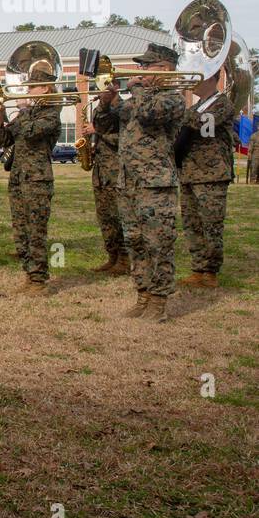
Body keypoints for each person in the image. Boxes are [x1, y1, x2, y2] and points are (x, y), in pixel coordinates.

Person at [114, 43, 186, 322]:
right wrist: (110, 99)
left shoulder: (172, 98)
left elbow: (148, 114)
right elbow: (118, 116)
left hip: (155, 182)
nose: (140, 71)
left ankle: (159, 300)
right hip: (129, 181)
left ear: (165, 70)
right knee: (135, 241)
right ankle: (142, 294)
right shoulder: (141, 97)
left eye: (147, 67)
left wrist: (137, 87)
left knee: (158, 243)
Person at [0, 76, 62, 294]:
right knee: (20, 230)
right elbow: (2, 140)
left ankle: (39, 279)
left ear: (45, 89)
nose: (26, 91)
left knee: (36, 231)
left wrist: (22, 111)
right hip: (18, 178)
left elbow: (30, 133)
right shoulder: (26, 115)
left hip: (38, 179)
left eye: (31, 87)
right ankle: (29, 274)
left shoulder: (51, 115)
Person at [177, 64, 237, 289]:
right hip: (190, 173)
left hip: (212, 174)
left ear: (212, 78)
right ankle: (197, 268)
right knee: (192, 224)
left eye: (197, 77)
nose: (192, 82)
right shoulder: (195, 108)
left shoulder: (223, 105)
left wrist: (176, 109)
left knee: (211, 224)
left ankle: (210, 271)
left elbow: (203, 125)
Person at [85, 86, 129, 274]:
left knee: (118, 216)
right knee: (105, 217)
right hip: (101, 171)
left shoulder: (125, 108)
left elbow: (126, 139)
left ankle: (125, 259)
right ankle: (112, 256)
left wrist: (98, 132)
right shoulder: (98, 109)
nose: (99, 91)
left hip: (116, 169)